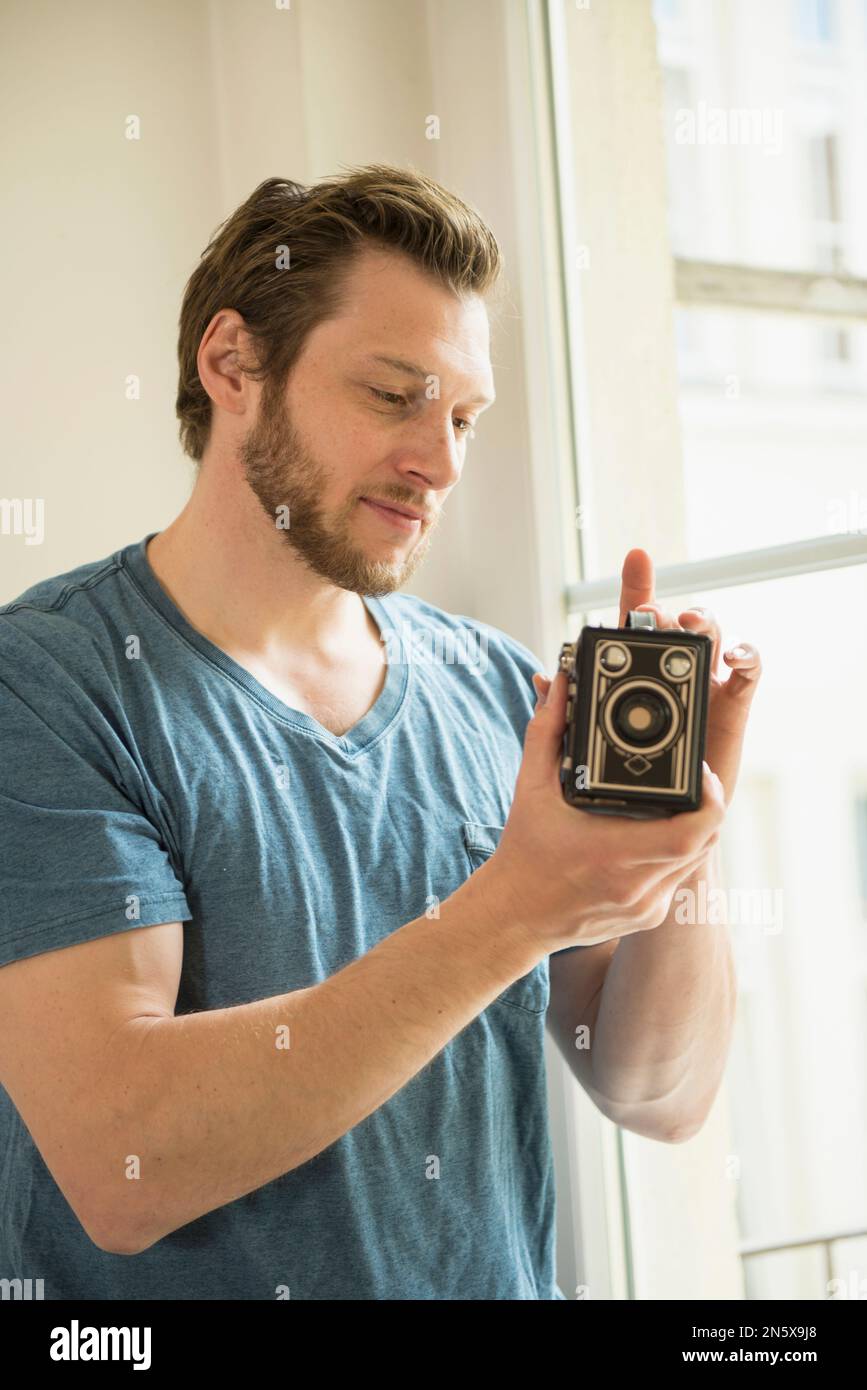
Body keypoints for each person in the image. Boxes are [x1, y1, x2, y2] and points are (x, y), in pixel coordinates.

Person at [0, 166, 760, 1300]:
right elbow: (126, 1161)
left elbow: (657, 1092)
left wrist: (676, 840)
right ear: (233, 365)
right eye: (394, 394)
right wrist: (518, 904)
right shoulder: (52, 683)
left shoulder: (503, 691)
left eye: (461, 416)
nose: (442, 461)